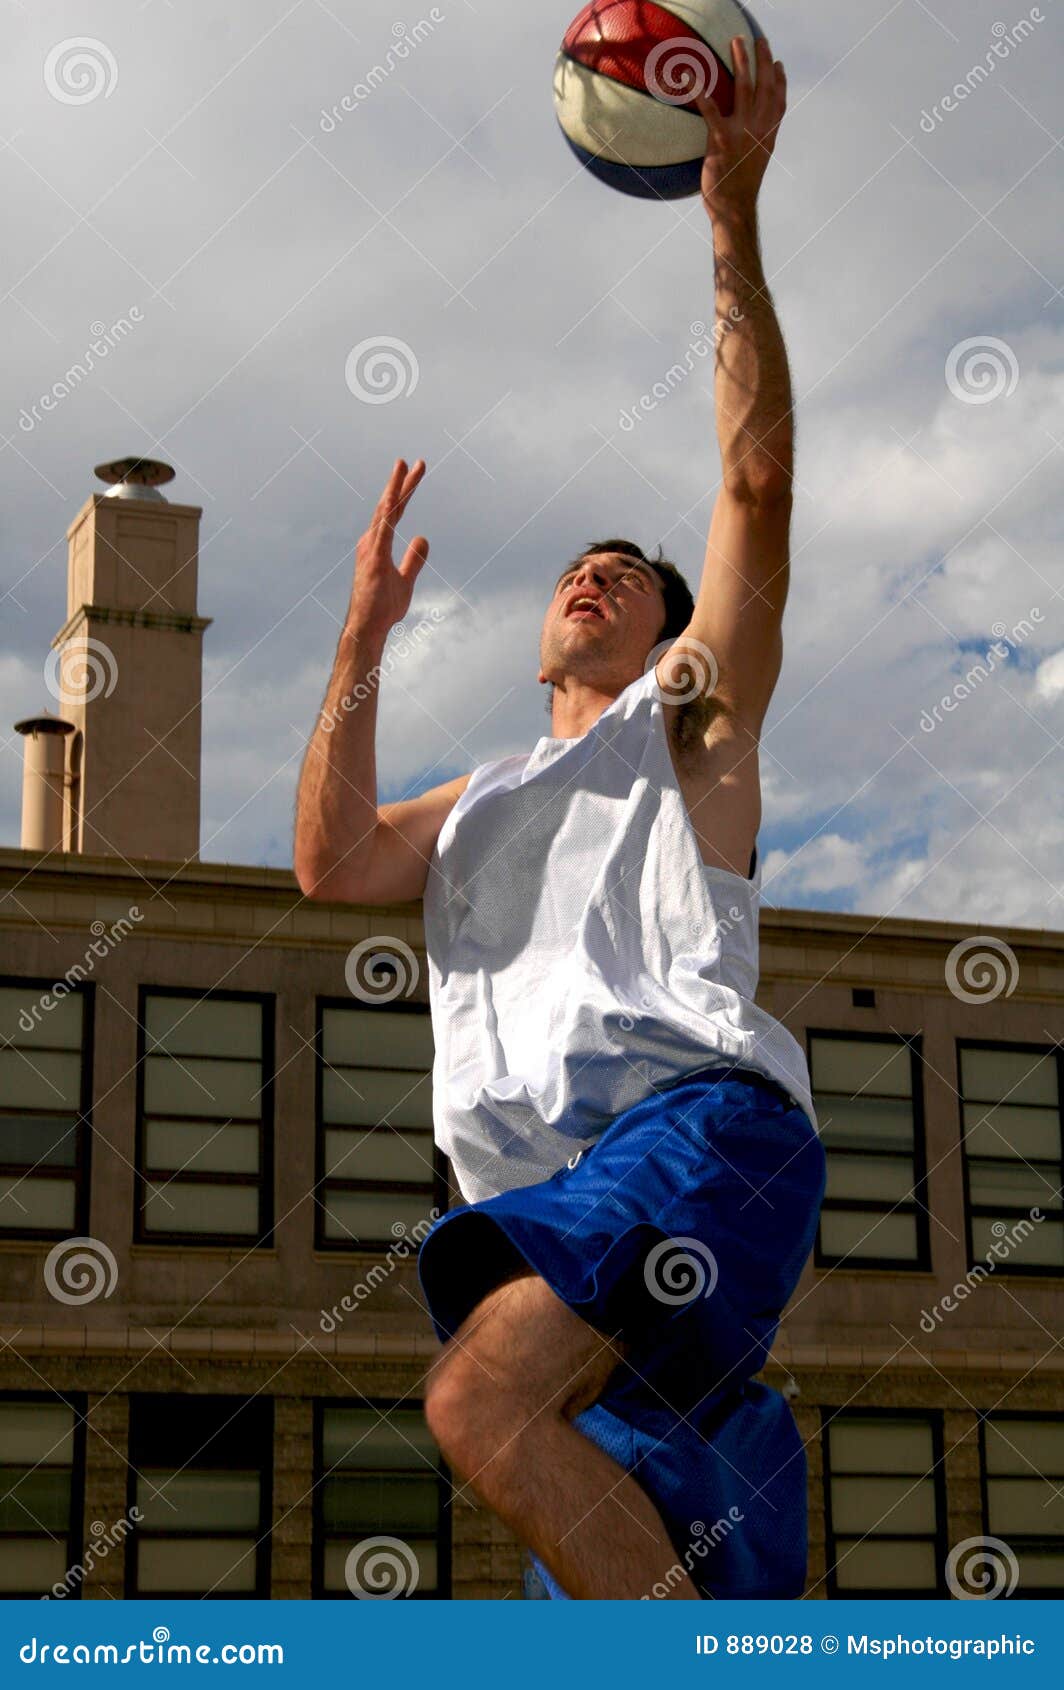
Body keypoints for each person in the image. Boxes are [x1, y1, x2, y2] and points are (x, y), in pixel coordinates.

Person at [294, 36, 825, 1601]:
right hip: (554, 1207)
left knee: (478, 1399)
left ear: (669, 628)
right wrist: (357, 645)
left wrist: (727, 219)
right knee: (651, 1573)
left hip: (695, 1138)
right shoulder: (479, 804)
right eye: (572, 570)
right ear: (541, 632)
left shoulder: (686, 724)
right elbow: (329, 861)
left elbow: (759, 484)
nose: (593, 576)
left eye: (632, 575)